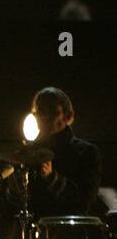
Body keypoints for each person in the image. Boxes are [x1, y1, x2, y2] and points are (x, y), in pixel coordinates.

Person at [25, 87, 102, 218]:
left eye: (52, 113)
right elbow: (12, 209)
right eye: (40, 112)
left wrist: (52, 177)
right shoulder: (29, 153)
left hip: (69, 234)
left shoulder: (86, 152)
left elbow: (85, 200)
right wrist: (14, 191)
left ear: (68, 116)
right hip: (33, 232)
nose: (44, 117)